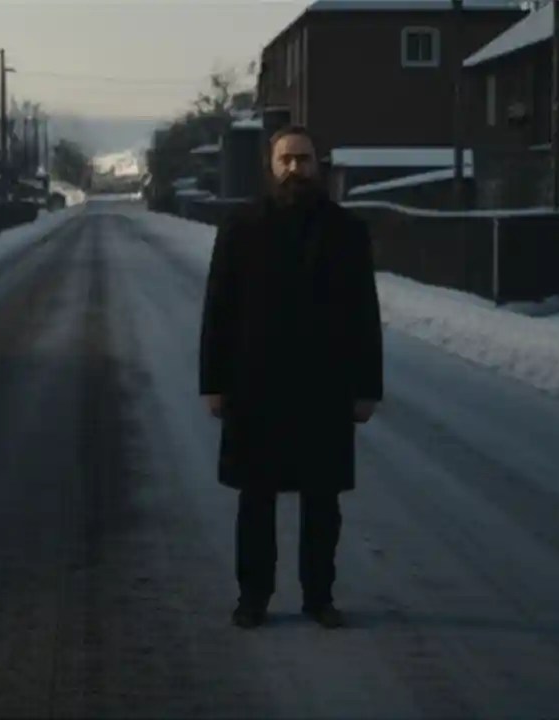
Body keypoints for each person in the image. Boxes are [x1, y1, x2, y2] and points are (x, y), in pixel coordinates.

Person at [198, 125, 384, 630]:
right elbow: (219, 309)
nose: (295, 169)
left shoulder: (347, 231)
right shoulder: (240, 227)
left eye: (303, 159)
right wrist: (212, 383)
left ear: (317, 164)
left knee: (321, 502)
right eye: (286, 160)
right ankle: (252, 598)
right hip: (254, 384)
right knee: (255, 500)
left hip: (326, 387)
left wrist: (368, 387)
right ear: (271, 166)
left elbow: (365, 313)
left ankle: (318, 597)